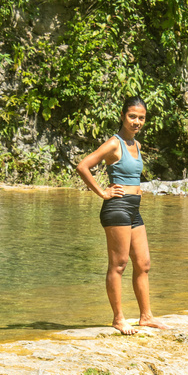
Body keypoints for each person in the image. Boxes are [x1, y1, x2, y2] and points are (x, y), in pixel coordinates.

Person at [76, 96, 169, 335]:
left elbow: (134, 178)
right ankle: (118, 318)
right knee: (119, 264)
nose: (137, 121)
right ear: (122, 116)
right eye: (132, 116)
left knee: (143, 263)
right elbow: (83, 166)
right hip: (116, 208)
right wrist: (102, 192)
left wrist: (137, 192)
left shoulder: (136, 145)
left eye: (141, 118)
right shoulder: (114, 143)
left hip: (133, 209)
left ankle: (146, 316)